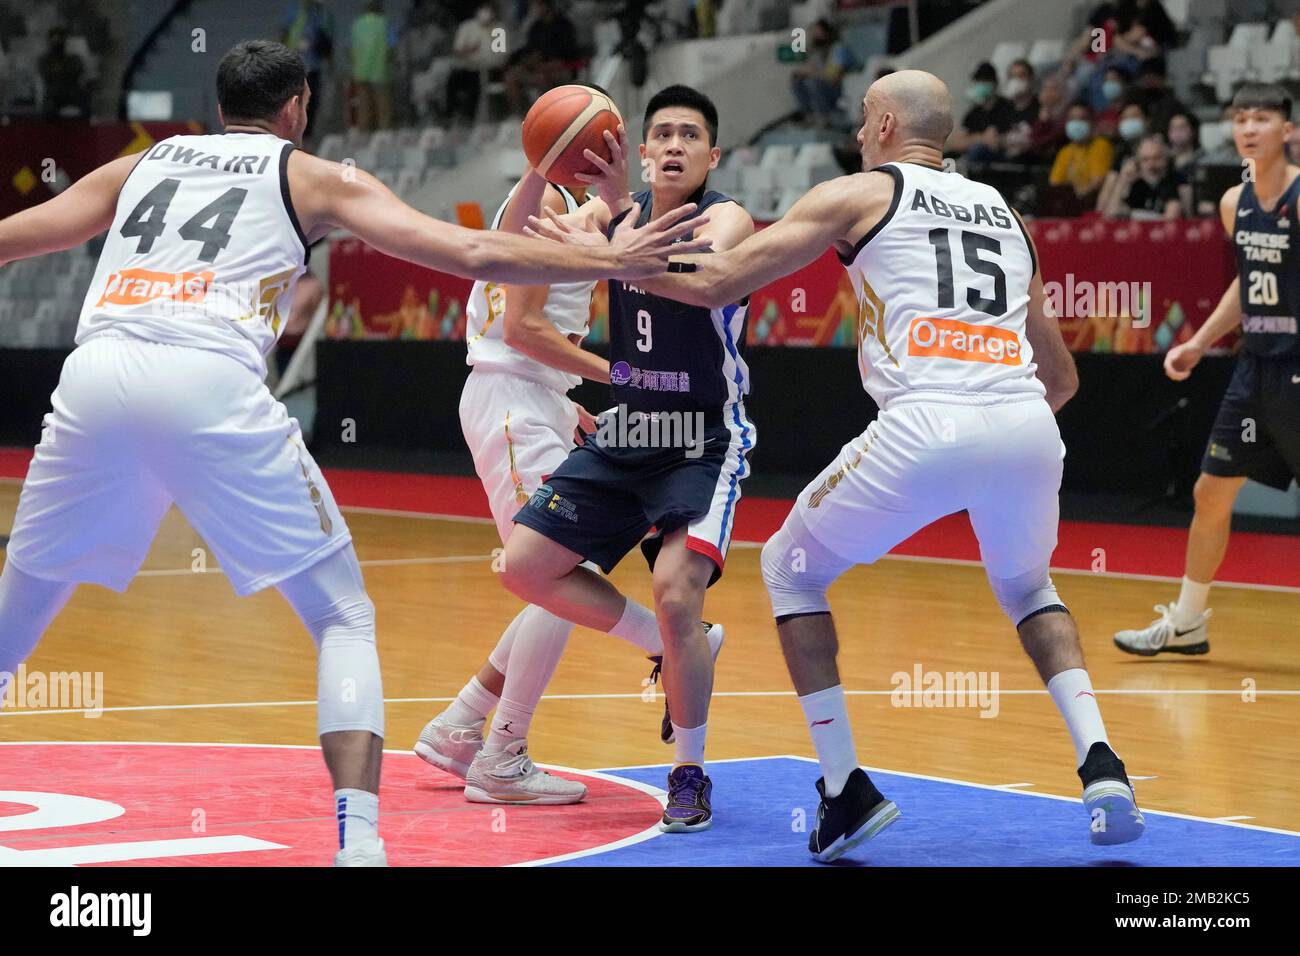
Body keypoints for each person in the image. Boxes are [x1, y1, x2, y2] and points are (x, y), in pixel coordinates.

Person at [0, 39, 709, 867]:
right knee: (341, 616)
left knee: (19, 617)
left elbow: (19, 236)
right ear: (298, 105)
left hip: (94, 378)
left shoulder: (140, 166)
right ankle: (361, 845)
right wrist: (605, 256)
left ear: (217, 102)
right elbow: (469, 252)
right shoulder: (313, 176)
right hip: (207, 379)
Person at [539, 69, 1147, 861]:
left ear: (888, 125)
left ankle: (845, 790)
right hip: (1029, 425)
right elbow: (1061, 378)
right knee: (1031, 587)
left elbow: (720, 280)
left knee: (791, 569)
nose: (858, 134)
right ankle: (1103, 766)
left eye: (864, 120)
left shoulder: (859, 194)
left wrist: (609, 258)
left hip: (926, 421)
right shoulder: (1007, 215)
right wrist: (991, 449)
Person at [502, 84, 755, 833]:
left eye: (690, 135)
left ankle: (689, 772)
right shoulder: (609, 214)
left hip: (705, 434)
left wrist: (609, 237)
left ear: (714, 155)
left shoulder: (727, 217)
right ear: (640, 150)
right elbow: (518, 249)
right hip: (632, 426)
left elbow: (693, 278)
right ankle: (676, 650)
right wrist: (538, 170)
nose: (675, 144)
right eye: (662, 134)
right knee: (522, 566)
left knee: (680, 590)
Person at [415, 121, 684, 803]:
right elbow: (523, 329)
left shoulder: (555, 206)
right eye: (619, 140)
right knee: (556, 570)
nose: (632, 153)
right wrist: (623, 376)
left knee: (558, 576)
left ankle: (461, 727)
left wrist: (572, 406)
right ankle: (502, 756)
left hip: (533, 398)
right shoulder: (546, 208)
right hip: (512, 396)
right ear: (585, 150)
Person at [1115, 84, 1300, 655]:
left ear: (1288, 131)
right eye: (1240, 119)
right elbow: (1248, 285)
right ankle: (1189, 623)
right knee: (1211, 492)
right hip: (1254, 369)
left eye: (1263, 119)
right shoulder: (1232, 203)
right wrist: (1198, 342)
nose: (1249, 129)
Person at [503, 0, 578, 116]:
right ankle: (518, 113)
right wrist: (528, 59)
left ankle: (548, 115)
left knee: (542, 77)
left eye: (538, 6)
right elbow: (529, 48)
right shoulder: (535, 27)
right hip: (536, 66)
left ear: (547, 6)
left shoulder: (564, 25)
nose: (535, 10)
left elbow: (568, 50)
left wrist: (547, 60)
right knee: (511, 76)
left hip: (560, 66)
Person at [790, 18, 855, 127]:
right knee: (798, 82)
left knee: (812, 83)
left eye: (817, 31)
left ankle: (824, 117)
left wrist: (813, 73)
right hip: (821, 86)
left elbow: (834, 77)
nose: (814, 35)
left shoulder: (838, 49)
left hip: (836, 90)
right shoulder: (816, 51)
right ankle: (809, 115)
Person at [1049, 101, 1114, 208]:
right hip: (1068, 206)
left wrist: (1071, 198)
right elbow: (1055, 185)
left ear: (1092, 122)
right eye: (1072, 119)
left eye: (1082, 119)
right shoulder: (1065, 151)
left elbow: (1097, 183)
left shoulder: (1101, 145)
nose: (1076, 123)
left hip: (1092, 205)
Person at [1101, 134, 1182, 218]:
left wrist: (1132, 214)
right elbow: (1111, 214)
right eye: (1145, 160)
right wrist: (1123, 180)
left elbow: (1171, 219)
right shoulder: (1135, 185)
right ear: (1138, 163)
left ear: (1167, 160)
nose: (1151, 165)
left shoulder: (1175, 181)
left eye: (1157, 158)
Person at [447, 3, 501, 124]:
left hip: (492, 68)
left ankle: (472, 119)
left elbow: (500, 55)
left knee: (477, 82)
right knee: (453, 82)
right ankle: (450, 117)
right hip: (468, 66)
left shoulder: (498, 29)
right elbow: (458, 50)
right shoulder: (467, 27)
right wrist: (470, 50)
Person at [949, 61, 1015, 160]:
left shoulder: (1007, 107)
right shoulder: (973, 113)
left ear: (994, 82)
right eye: (977, 81)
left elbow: (995, 142)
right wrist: (981, 138)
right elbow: (956, 143)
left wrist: (972, 139)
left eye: (984, 80)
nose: (980, 84)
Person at [350, 0, 393, 130]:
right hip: (380, 69)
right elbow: (391, 48)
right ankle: (384, 133)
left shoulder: (357, 24)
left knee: (364, 106)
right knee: (383, 107)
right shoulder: (385, 23)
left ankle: (364, 133)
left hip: (361, 69)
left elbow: (352, 49)